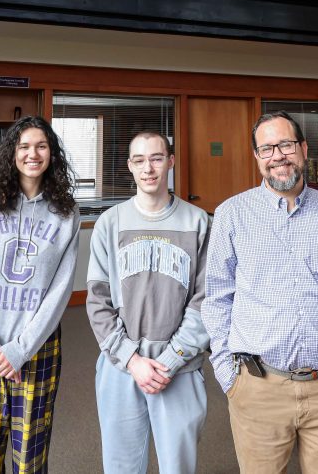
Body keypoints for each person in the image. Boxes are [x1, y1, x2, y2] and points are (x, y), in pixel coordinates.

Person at [203, 110, 318, 474]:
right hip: (258, 387)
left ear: (304, 149)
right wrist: (227, 374)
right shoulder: (232, 215)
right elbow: (216, 297)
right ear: (257, 157)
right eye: (267, 148)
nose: (277, 155)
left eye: (285, 144)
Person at [0, 115, 80, 474]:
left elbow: (60, 289)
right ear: (11, 153)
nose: (32, 154)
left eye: (41, 146)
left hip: (36, 350)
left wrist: (20, 349)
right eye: (24, 146)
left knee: (31, 456)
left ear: (52, 153)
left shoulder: (66, 212)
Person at [87, 130, 211, 474]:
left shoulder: (198, 222)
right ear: (130, 166)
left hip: (180, 369)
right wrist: (132, 360)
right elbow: (97, 303)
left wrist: (171, 359)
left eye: (157, 158)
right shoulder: (109, 223)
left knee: (178, 467)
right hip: (121, 367)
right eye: (139, 160)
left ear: (170, 161)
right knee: (121, 466)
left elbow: (206, 299)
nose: (149, 168)